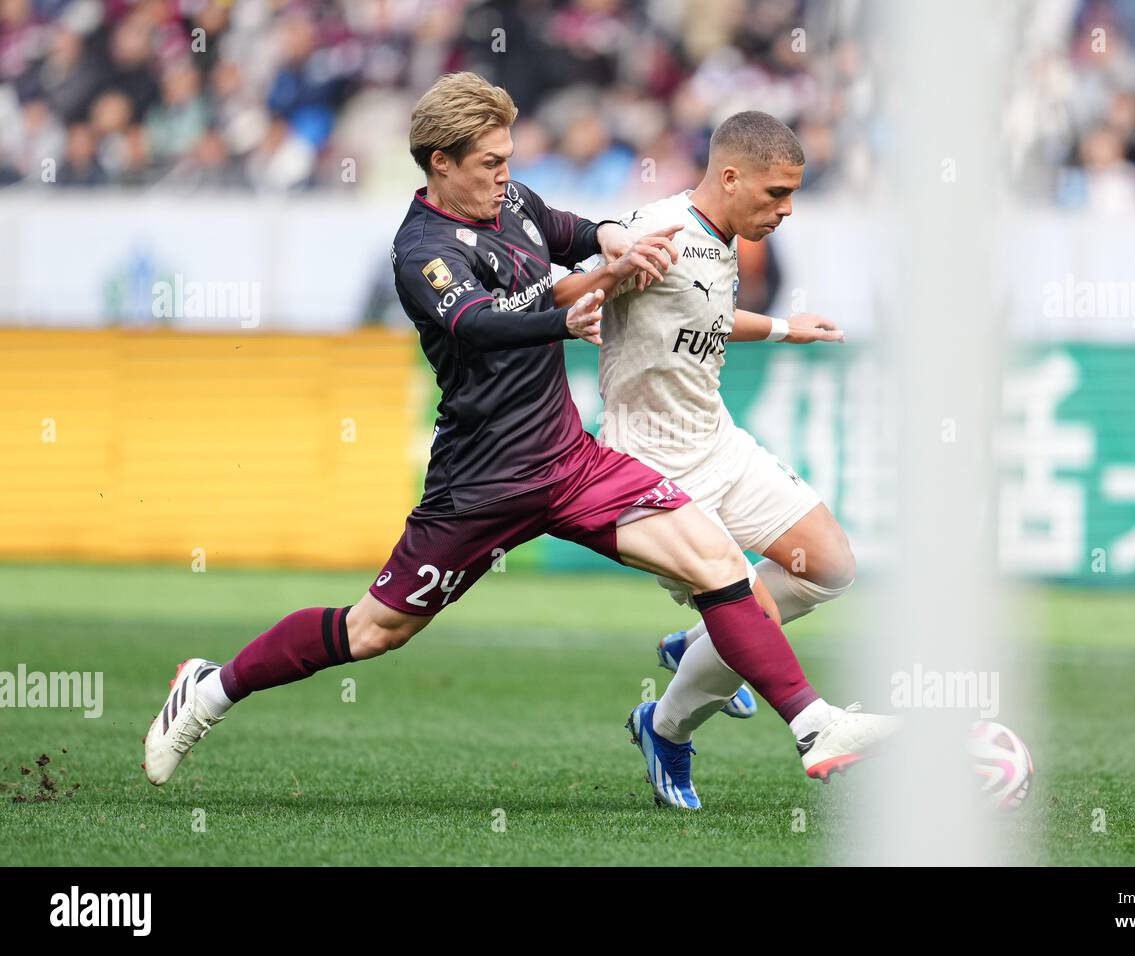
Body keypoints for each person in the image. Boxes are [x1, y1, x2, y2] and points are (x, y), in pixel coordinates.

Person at [143, 74, 895, 810]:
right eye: (490, 163)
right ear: (441, 163)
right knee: (374, 632)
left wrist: (616, 240)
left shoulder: (515, 204)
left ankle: (812, 726)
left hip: (571, 463)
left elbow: (572, 230)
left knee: (717, 559)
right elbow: (479, 322)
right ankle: (209, 689)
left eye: (509, 158)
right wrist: (564, 310)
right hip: (481, 483)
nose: (507, 177)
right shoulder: (423, 251)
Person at [555, 111, 870, 805]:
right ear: (729, 177)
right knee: (749, 610)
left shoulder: (723, 236)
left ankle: (701, 639)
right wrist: (600, 279)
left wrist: (787, 328)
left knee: (830, 565)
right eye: (775, 194)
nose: (786, 210)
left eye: (793, 195)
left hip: (717, 441)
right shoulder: (655, 231)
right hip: (649, 469)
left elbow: (705, 314)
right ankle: (664, 727)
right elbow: (562, 294)